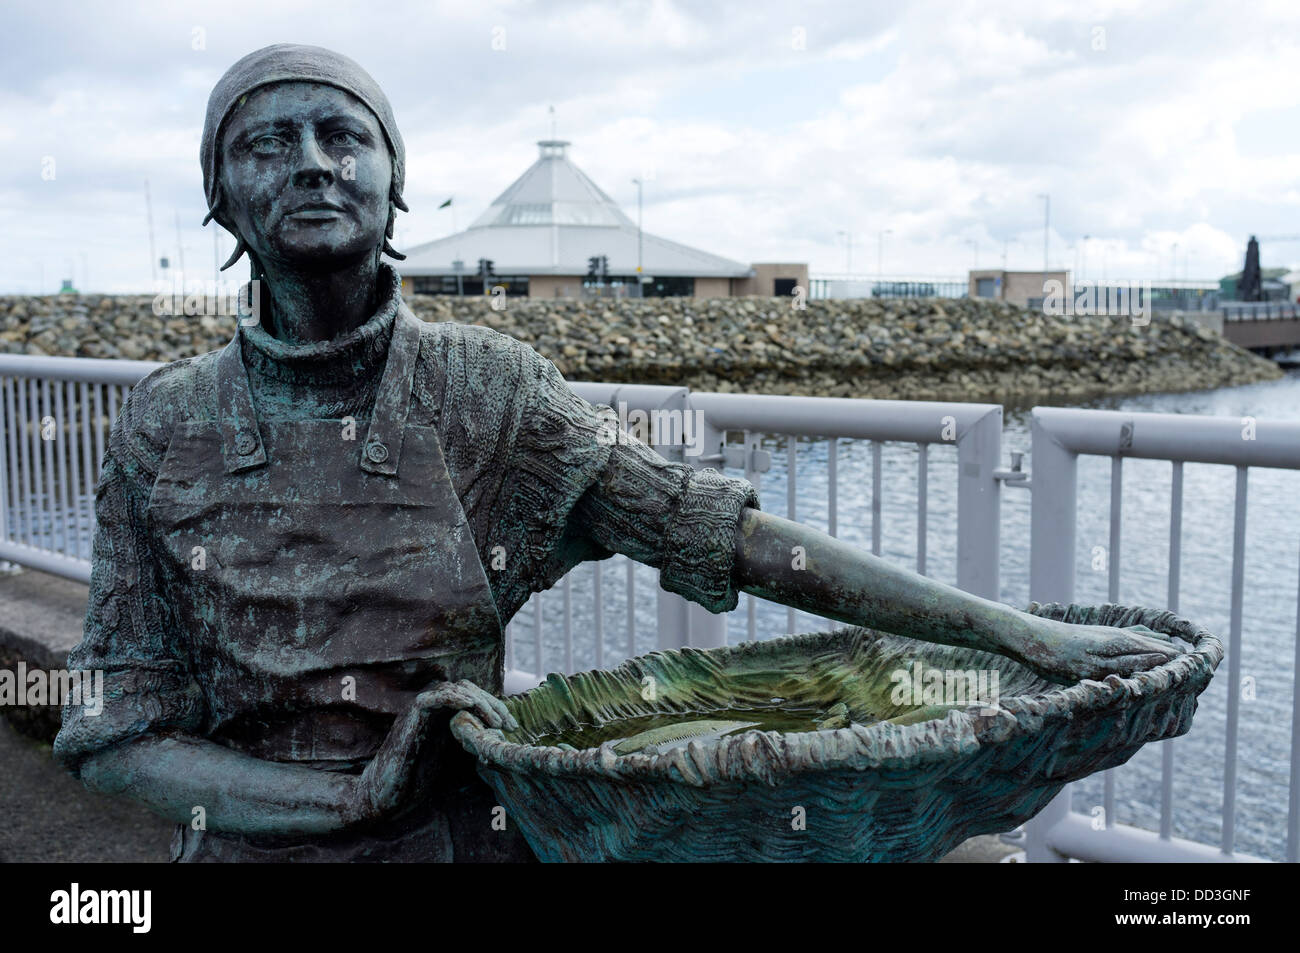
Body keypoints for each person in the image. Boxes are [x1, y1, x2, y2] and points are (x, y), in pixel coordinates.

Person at [55, 44, 1181, 863]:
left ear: (394, 184)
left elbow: (728, 538)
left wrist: (1019, 632)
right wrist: (346, 803)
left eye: (341, 134)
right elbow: (116, 733)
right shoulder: (167, 424)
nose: (310, 163)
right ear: (220, 198)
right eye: (267, 142)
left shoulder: (487, 389)